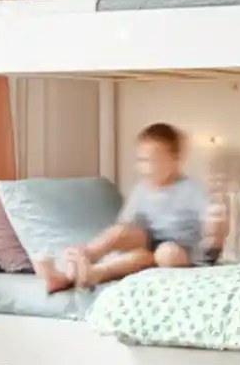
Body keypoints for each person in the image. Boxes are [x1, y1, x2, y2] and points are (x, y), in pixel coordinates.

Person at [36, 123, 227, 292]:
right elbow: (126, 227)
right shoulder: (141, 190)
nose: (145, 168)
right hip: (148, 245)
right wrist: (111, 244)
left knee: (162, 254)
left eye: (153, 160)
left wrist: (216, 229)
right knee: (122, 233)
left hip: (182, 253)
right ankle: (74, 266)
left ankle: (95, 273)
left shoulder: (191, 189)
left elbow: (212, 238)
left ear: (174, 160)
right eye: (141, 161)